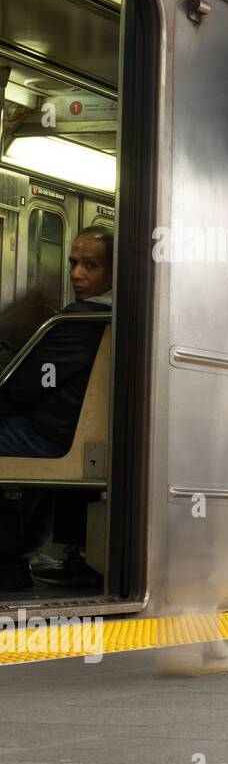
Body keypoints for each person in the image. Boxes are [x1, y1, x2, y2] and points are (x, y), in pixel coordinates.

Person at [0, 228, 113, 590]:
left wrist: (10, 332)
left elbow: (19, 385)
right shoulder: (113, 316)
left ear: (114, 272)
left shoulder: (82, 320)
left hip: (53, 435)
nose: (77, 274)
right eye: (74, 263)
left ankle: (6, 563)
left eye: (90, 266)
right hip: (66, 428)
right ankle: (22, 549)